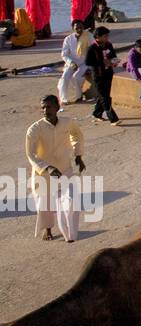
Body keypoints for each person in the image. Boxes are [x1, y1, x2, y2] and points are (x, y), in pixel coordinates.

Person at [26, 95, 86, 242]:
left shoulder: (67, 122)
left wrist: (78, 155)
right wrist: (47, 167)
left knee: (70, 200)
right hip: (44, 174)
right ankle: (48, 229)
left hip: (64, 168)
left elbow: (77, 134)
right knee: (44, 204)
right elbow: (31, 154)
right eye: (43, 107)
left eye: (49, 106)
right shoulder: (34, 129)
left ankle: (70, 234)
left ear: (57, 107)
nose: (45, 110)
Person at [85, 26, 120, 124]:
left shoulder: (108, 45)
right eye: (105, 36)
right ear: (98, 37)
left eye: (108, 35)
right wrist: (102, 62)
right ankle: (113, 118)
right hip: (98, 75)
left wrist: (113, 61)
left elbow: (113, 56)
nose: (107, 37)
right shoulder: (92, 48)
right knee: (105, 97)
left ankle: (97, 113)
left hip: (108, 73)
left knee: (104, 95)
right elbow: (88, 62)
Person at [58, 19, 92, 105]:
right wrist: (71, 63)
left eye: (81, 27)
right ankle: (63, 99)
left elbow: (94, 50)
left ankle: (78, 96)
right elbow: (64, 54)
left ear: (83, 27)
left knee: (76, 76)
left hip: (85, 62)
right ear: (73, 28)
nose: (79, 30)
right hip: (72, 63)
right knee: (64, 77)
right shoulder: (68, 39)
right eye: (77, 28)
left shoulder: (89, 36)